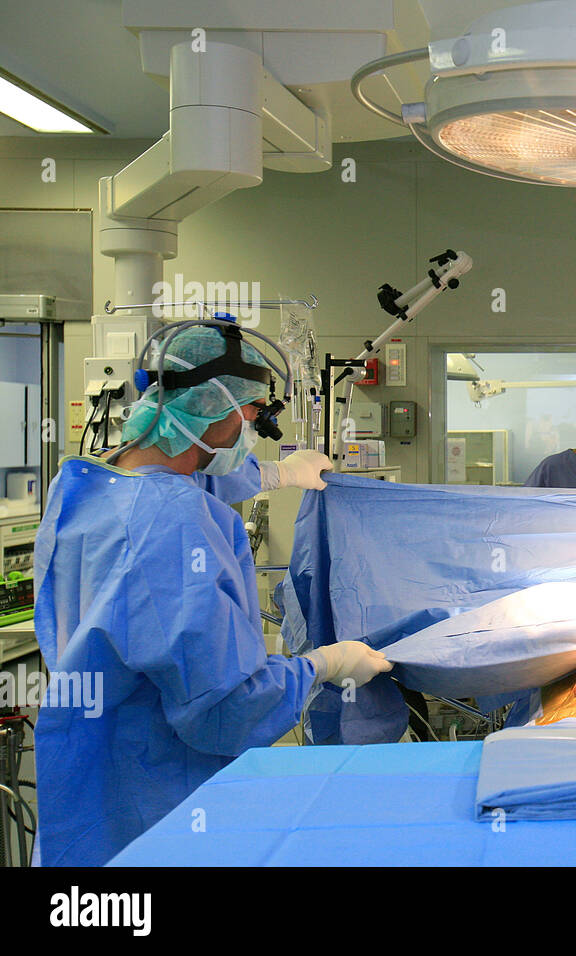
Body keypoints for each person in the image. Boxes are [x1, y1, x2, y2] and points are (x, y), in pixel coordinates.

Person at [33, 324, 392, 866]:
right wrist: (322, 665)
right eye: (251, 414)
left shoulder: (87, 485)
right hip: (155, 808)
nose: (253, 427)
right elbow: (227, 708)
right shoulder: (173, 525)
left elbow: (179, 477)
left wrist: (276, 472)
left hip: (88, 788)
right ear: (214, 405)